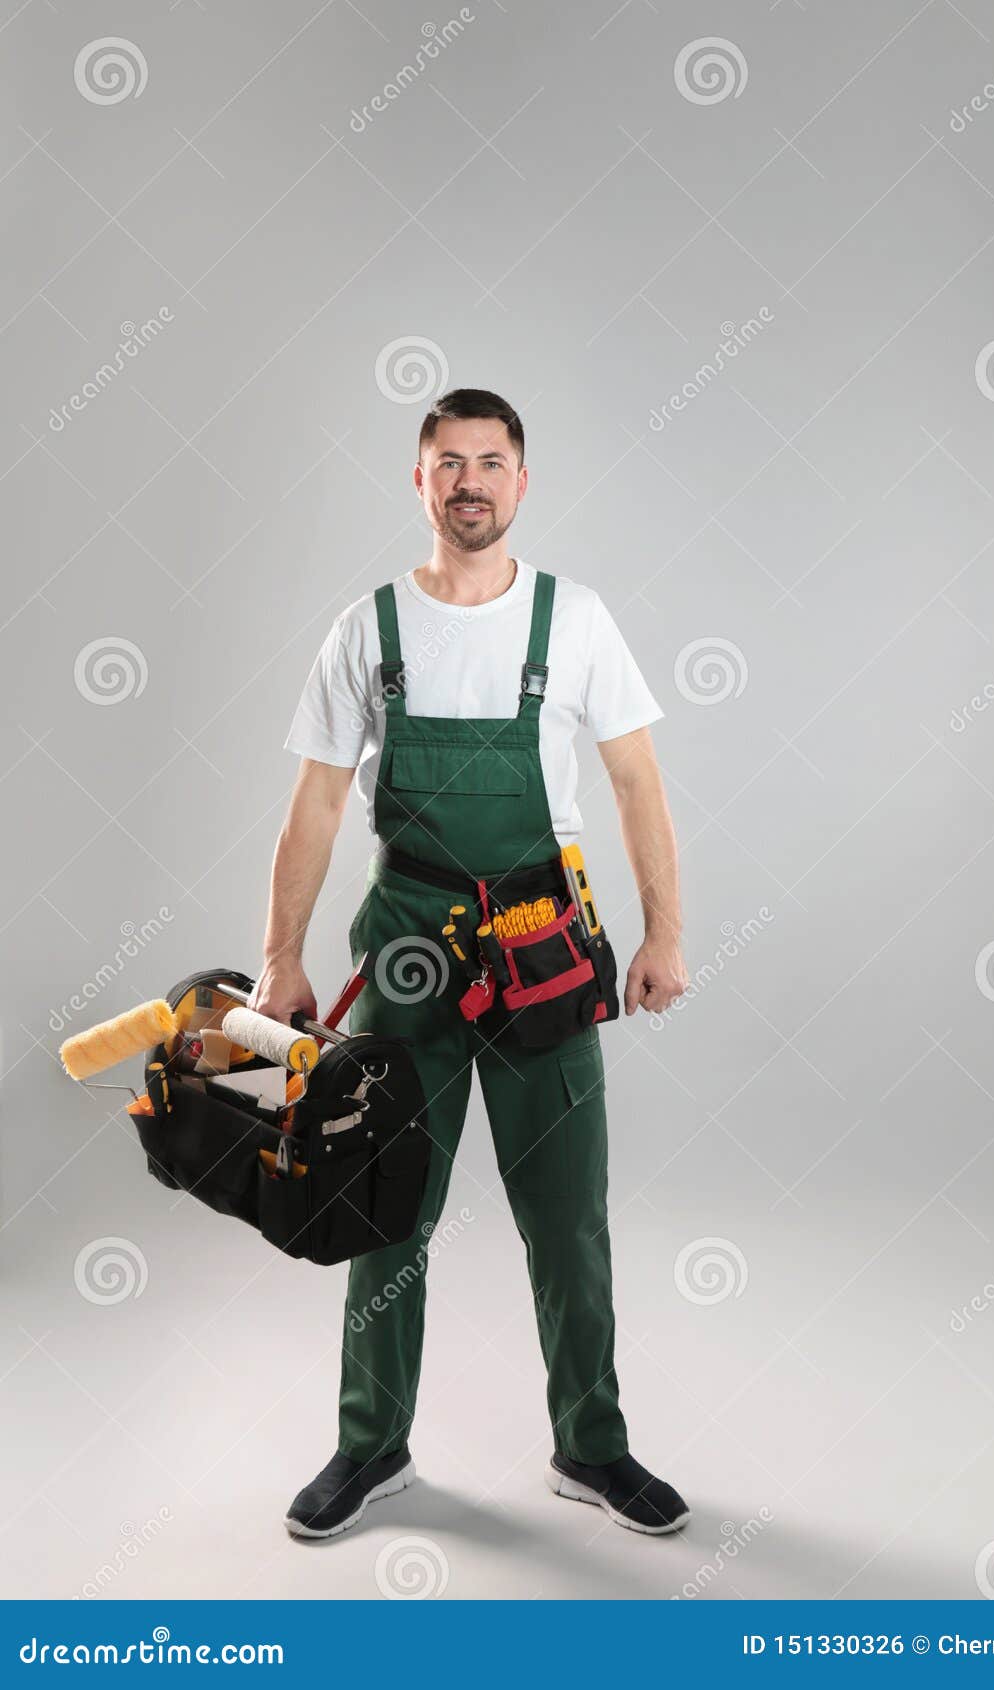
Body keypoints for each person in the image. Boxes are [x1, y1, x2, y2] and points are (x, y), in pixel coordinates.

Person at [253, 388, 690, 1538]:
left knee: (567, 1214)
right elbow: (315, 802)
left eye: (490, 461)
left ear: (521, 481)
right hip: (403, 954)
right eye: (447, 462)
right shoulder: (367, 628)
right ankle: (370, 1444)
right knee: (383, 1207)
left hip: (542, 953)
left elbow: (637, 780)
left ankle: (591, 1447)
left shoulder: (574, 618)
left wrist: (666, 932)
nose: (469, 482)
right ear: (419, 480)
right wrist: (279, 959)